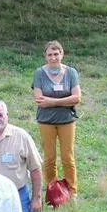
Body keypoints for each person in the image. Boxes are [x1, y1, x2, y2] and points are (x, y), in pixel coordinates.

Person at [32, 40, 82, 196]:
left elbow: (77, 98)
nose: (53, 57)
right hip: (46, 121)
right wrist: (64, 101)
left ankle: (72, 192)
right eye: (50, 55)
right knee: (50, 158)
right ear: (45, 57)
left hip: (67, 120)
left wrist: (52, 101)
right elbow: (40, 100)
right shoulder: (39, 73)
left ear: (62, 54)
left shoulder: (71, 73)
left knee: (68, 157)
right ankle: (53, 192)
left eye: (56, 54)